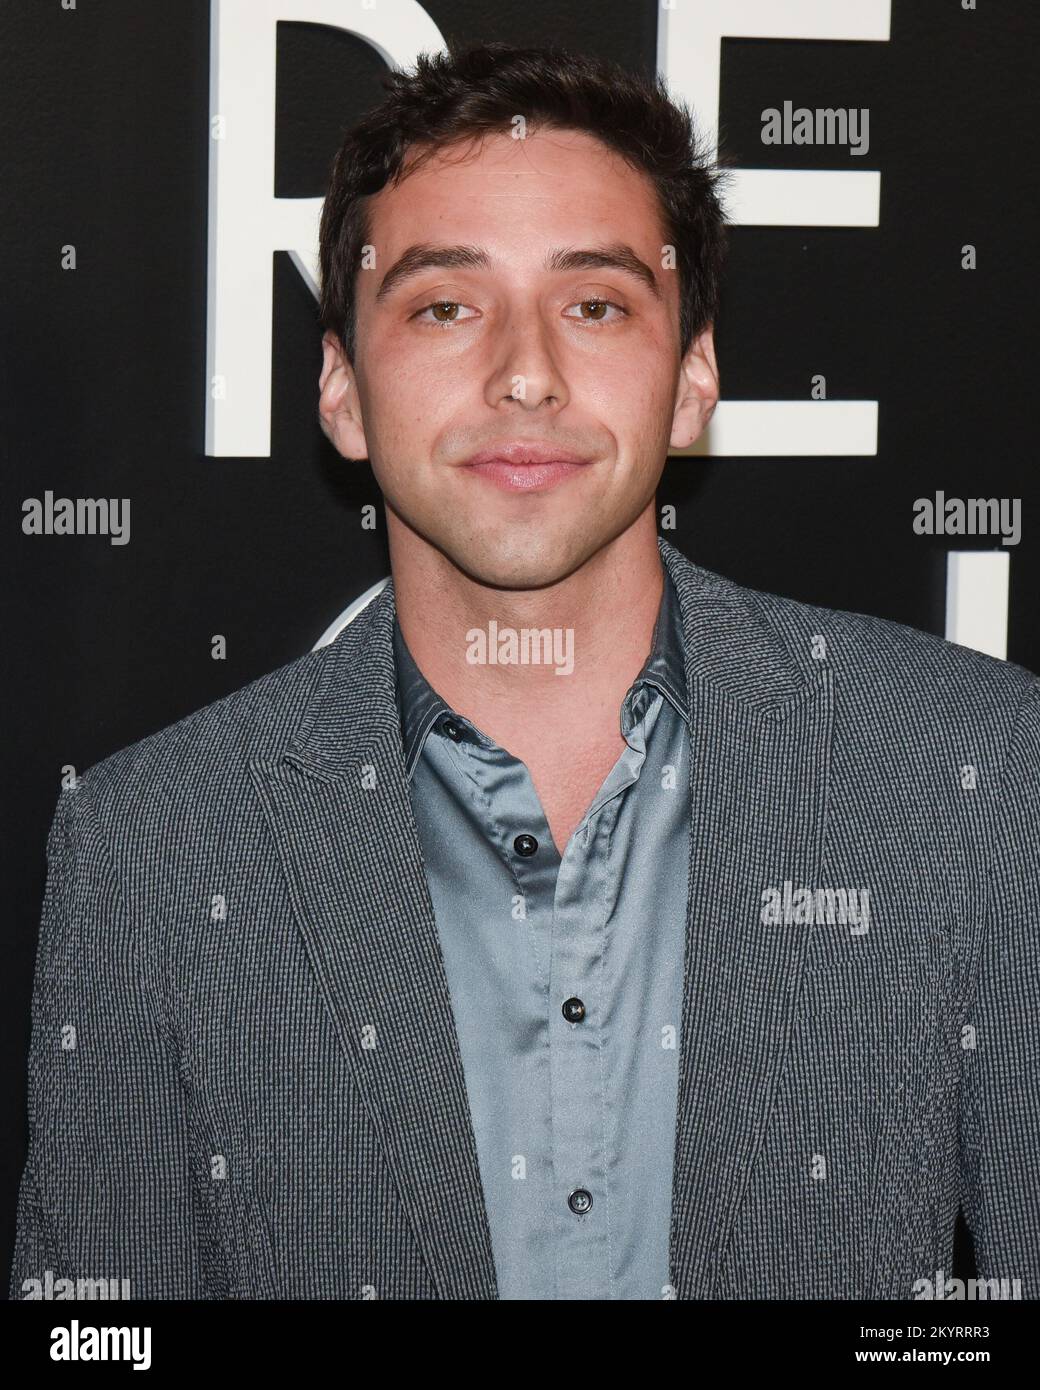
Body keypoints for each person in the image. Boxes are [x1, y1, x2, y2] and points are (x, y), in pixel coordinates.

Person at [10, 40, 1039, 1302]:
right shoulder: (151, 847)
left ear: (693, 378)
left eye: (594, 303)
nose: (525, 371)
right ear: (339, 386)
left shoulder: (974, 775)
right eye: (444, 304)